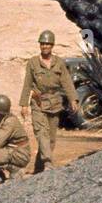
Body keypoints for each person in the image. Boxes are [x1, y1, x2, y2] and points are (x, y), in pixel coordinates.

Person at [19, 30, 78, 174]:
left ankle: (40, 168)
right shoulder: (33, 62)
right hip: (38, 102)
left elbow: (67, 82)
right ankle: (47, 162)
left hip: (55, 102)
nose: (45, 46)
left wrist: (73, 99)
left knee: (51, 138)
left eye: (48, 44)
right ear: (40, 45)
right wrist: (24, 104)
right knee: (41, 134)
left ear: (52, 45)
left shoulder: (59, 63)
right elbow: (27, 83)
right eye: (43, 43)